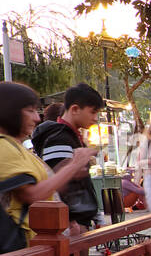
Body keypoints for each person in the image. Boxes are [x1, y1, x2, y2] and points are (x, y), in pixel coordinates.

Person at [0, 81, 96, 250]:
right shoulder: (0, 145)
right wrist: (74, 165)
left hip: (36, 242)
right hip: (21, 247)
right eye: (30, 111)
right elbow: (32, 194)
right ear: (9, 111)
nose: (37, 118)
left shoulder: (14, 146)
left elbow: (44, 187)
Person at [31, 82, 106, 229]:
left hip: (76, 220)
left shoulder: (70, 136)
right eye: (93, 112)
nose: (96, 118)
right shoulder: (59, 138)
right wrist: (71, 220)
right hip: (70, 224)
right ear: (75, 109)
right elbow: (57, 182)